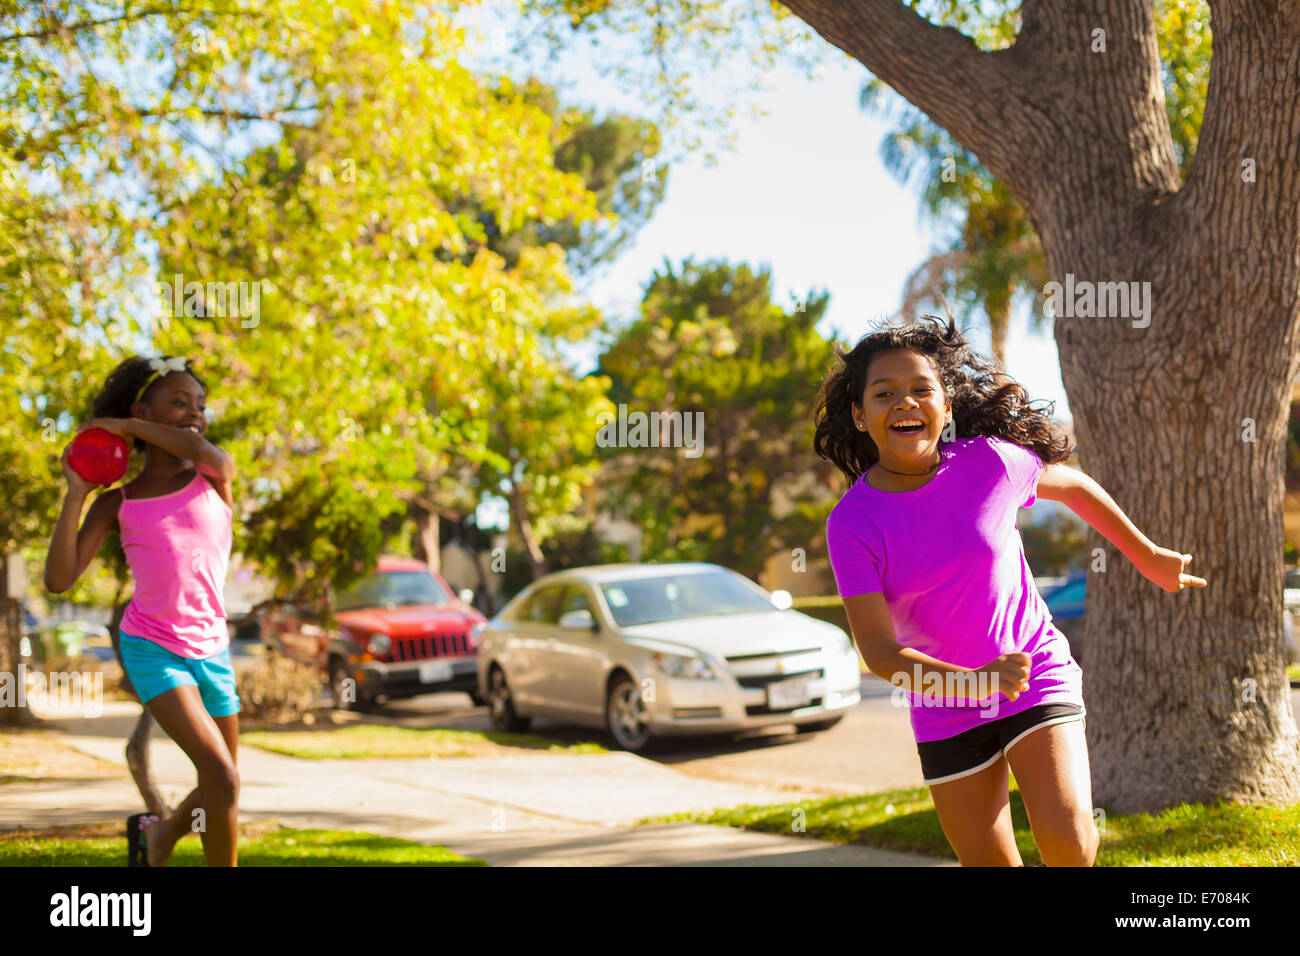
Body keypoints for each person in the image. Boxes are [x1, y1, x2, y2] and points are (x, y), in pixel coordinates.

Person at [813, 316, 1206, 866]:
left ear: (946, 405)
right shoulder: (853, 523)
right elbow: (879, 653)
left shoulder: (989, 462)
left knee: (1070, 843)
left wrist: (1147, 555)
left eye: (921, 389)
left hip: (1033, 676)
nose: (906, 402)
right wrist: (972, 684)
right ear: (860, 415)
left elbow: (1073, 486)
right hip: (945, 703)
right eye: (885, 393)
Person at [44, 355, 240, 866]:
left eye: (200, 404)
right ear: (143, 407)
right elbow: (59, 580)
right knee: (222, 776)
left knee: (222, 784)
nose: (195, 413)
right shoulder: (119, 502)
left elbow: (197, 446)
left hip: (213, 645)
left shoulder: (214, 474)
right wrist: (77, 494)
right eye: (178, 402)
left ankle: (162, 836)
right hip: (153, 646)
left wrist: (123, 427)